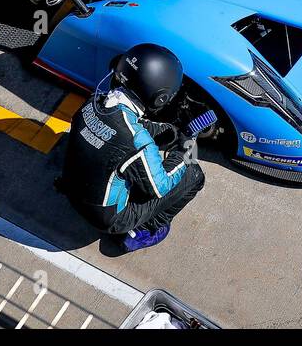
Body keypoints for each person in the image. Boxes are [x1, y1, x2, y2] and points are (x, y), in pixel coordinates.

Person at [60, 44, 205, 252]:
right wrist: (185, 147)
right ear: (160, 97)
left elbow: (123, 126)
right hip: (107, 218)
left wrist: (169, 131)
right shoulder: (138, 142)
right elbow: (160, 187)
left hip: (72, 188)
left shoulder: (93, 102)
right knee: (193, 174)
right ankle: (143, 231)